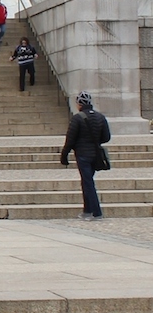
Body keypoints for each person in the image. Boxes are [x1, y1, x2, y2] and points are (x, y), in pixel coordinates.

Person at [60, 90, 111, 221]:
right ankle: (87, 211)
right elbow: (106, 137)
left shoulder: (77, 119)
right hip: (96, 155)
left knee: (88, 183)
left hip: (83, 155)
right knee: (86, 181)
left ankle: (96, 212)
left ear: (79, 104)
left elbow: (70, 139)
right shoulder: (100, 117)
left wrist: (64, 155)